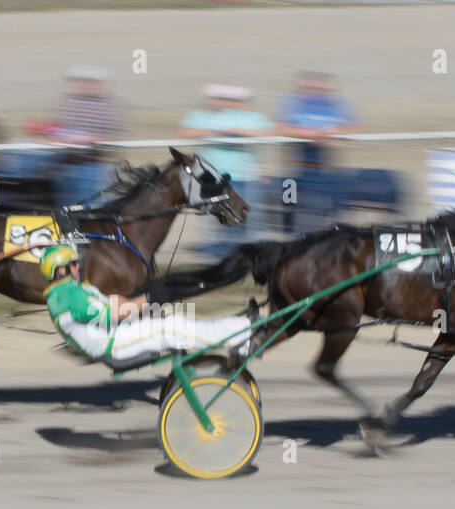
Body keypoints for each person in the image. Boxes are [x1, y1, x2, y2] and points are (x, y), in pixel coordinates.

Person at [39, 244, 255, 363]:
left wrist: (142, 296)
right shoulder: (68, 295)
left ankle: (239, 329)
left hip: (115, 335)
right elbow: (113, 314)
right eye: (73, 264)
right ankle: (241, 334)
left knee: (172, 322)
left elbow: (112, 303)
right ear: (61, 270)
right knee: (172, 328)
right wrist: (149, 299)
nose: (78, 267)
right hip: (114, 344)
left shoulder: (71, 291)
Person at [179, 84, 274, 251]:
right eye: (222, 99)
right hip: (215, 179)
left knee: (246, 216)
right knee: (217, 218)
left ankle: (244, 252)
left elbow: (270, 133)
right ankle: (219, 252)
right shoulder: (201, 116)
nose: (227, 103)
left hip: (246, 177)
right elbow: (185, 132)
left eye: (232, 100)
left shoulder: (251, 118)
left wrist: (240, 132)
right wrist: (217, 132)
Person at [275, 71, 362, 233]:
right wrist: (308, 134)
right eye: (310, 88)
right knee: (295, 205)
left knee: (326, 207)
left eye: (321, 90)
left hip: (327, 166)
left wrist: (327, 133)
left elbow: (354, 129)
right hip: (298, 166)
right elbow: (280, 127)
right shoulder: (291, 102)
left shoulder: (339, 104)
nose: (315, 93)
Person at [53, 65, 125, 207]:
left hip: (94, 166)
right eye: (81, 81)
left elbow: (116, 136)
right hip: (65, 165)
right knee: (65, 207)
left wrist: (89, 140)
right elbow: (55, 128)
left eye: (89, 81)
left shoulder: (108, 106)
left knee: (91, 206)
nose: (84, 85)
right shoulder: (67, 103)